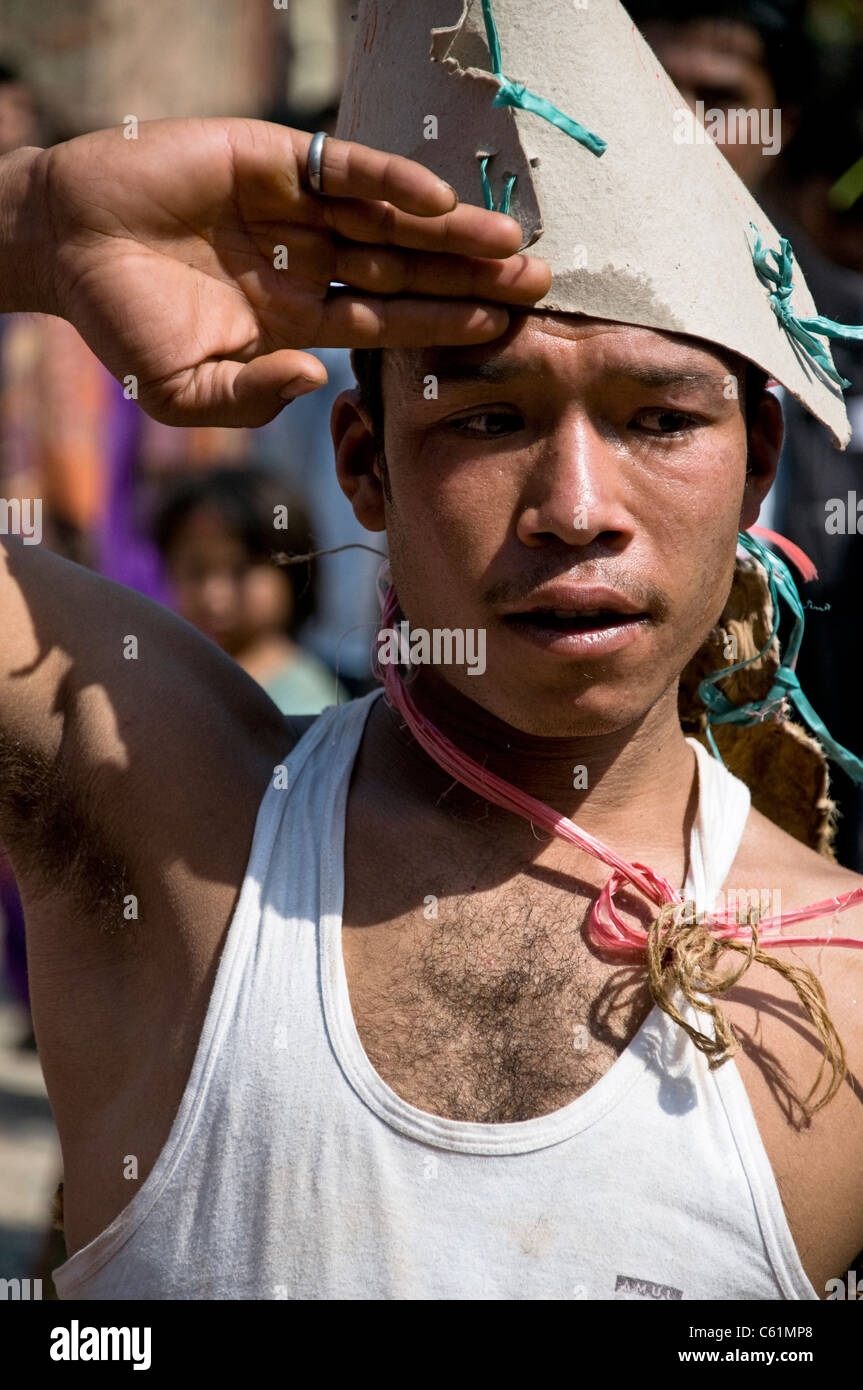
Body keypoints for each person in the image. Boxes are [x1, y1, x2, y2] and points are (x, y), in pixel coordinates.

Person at [0, 1, 860, 1302]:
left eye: (657, 417)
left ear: (758, 469)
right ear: (365, 467)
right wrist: (31, 231)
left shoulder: (837, 992)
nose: (574, 505)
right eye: (492, 415)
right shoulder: (166, 811)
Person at [626, 0, 863, 871]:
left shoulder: (847, 337)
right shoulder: (522, 311)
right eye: (654, 90)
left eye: (718, 98)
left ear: (781, 123)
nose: (684, 128)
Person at [153, 468, 348, 714]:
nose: (214, 598)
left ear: (295, 572)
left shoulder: (310, 707)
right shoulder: (167, 683)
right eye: (196, 570)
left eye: (241, 571)